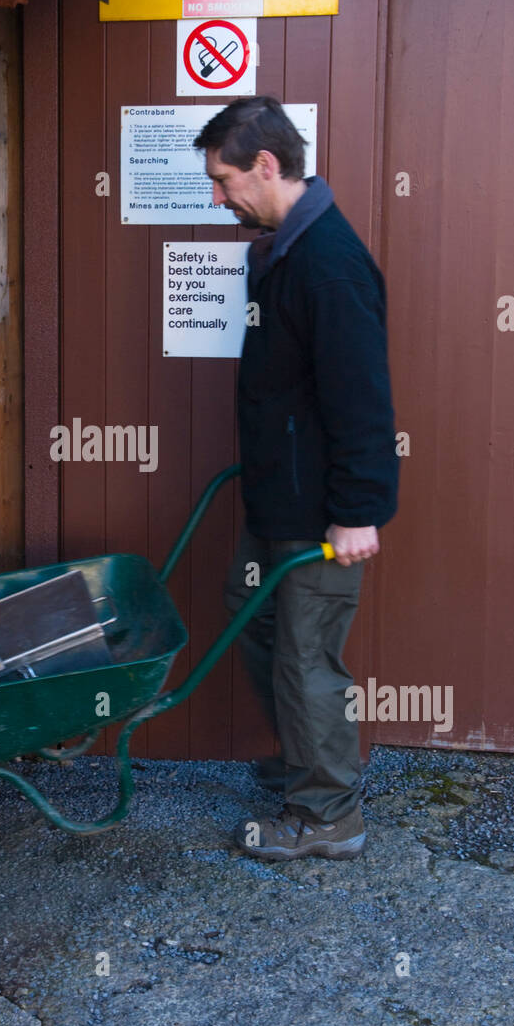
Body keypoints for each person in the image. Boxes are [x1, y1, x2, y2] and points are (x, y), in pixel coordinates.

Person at [193, 97, 399, 861]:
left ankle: (327, 815)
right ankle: (308, 759)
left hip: (321, 511)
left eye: (224, 181)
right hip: (279, 497)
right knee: (255, 616)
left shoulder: (329, 261)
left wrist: (358, 512)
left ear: (267, 166)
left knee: (306, 652)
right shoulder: (285, 247)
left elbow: (362, 398)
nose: (218, 198)